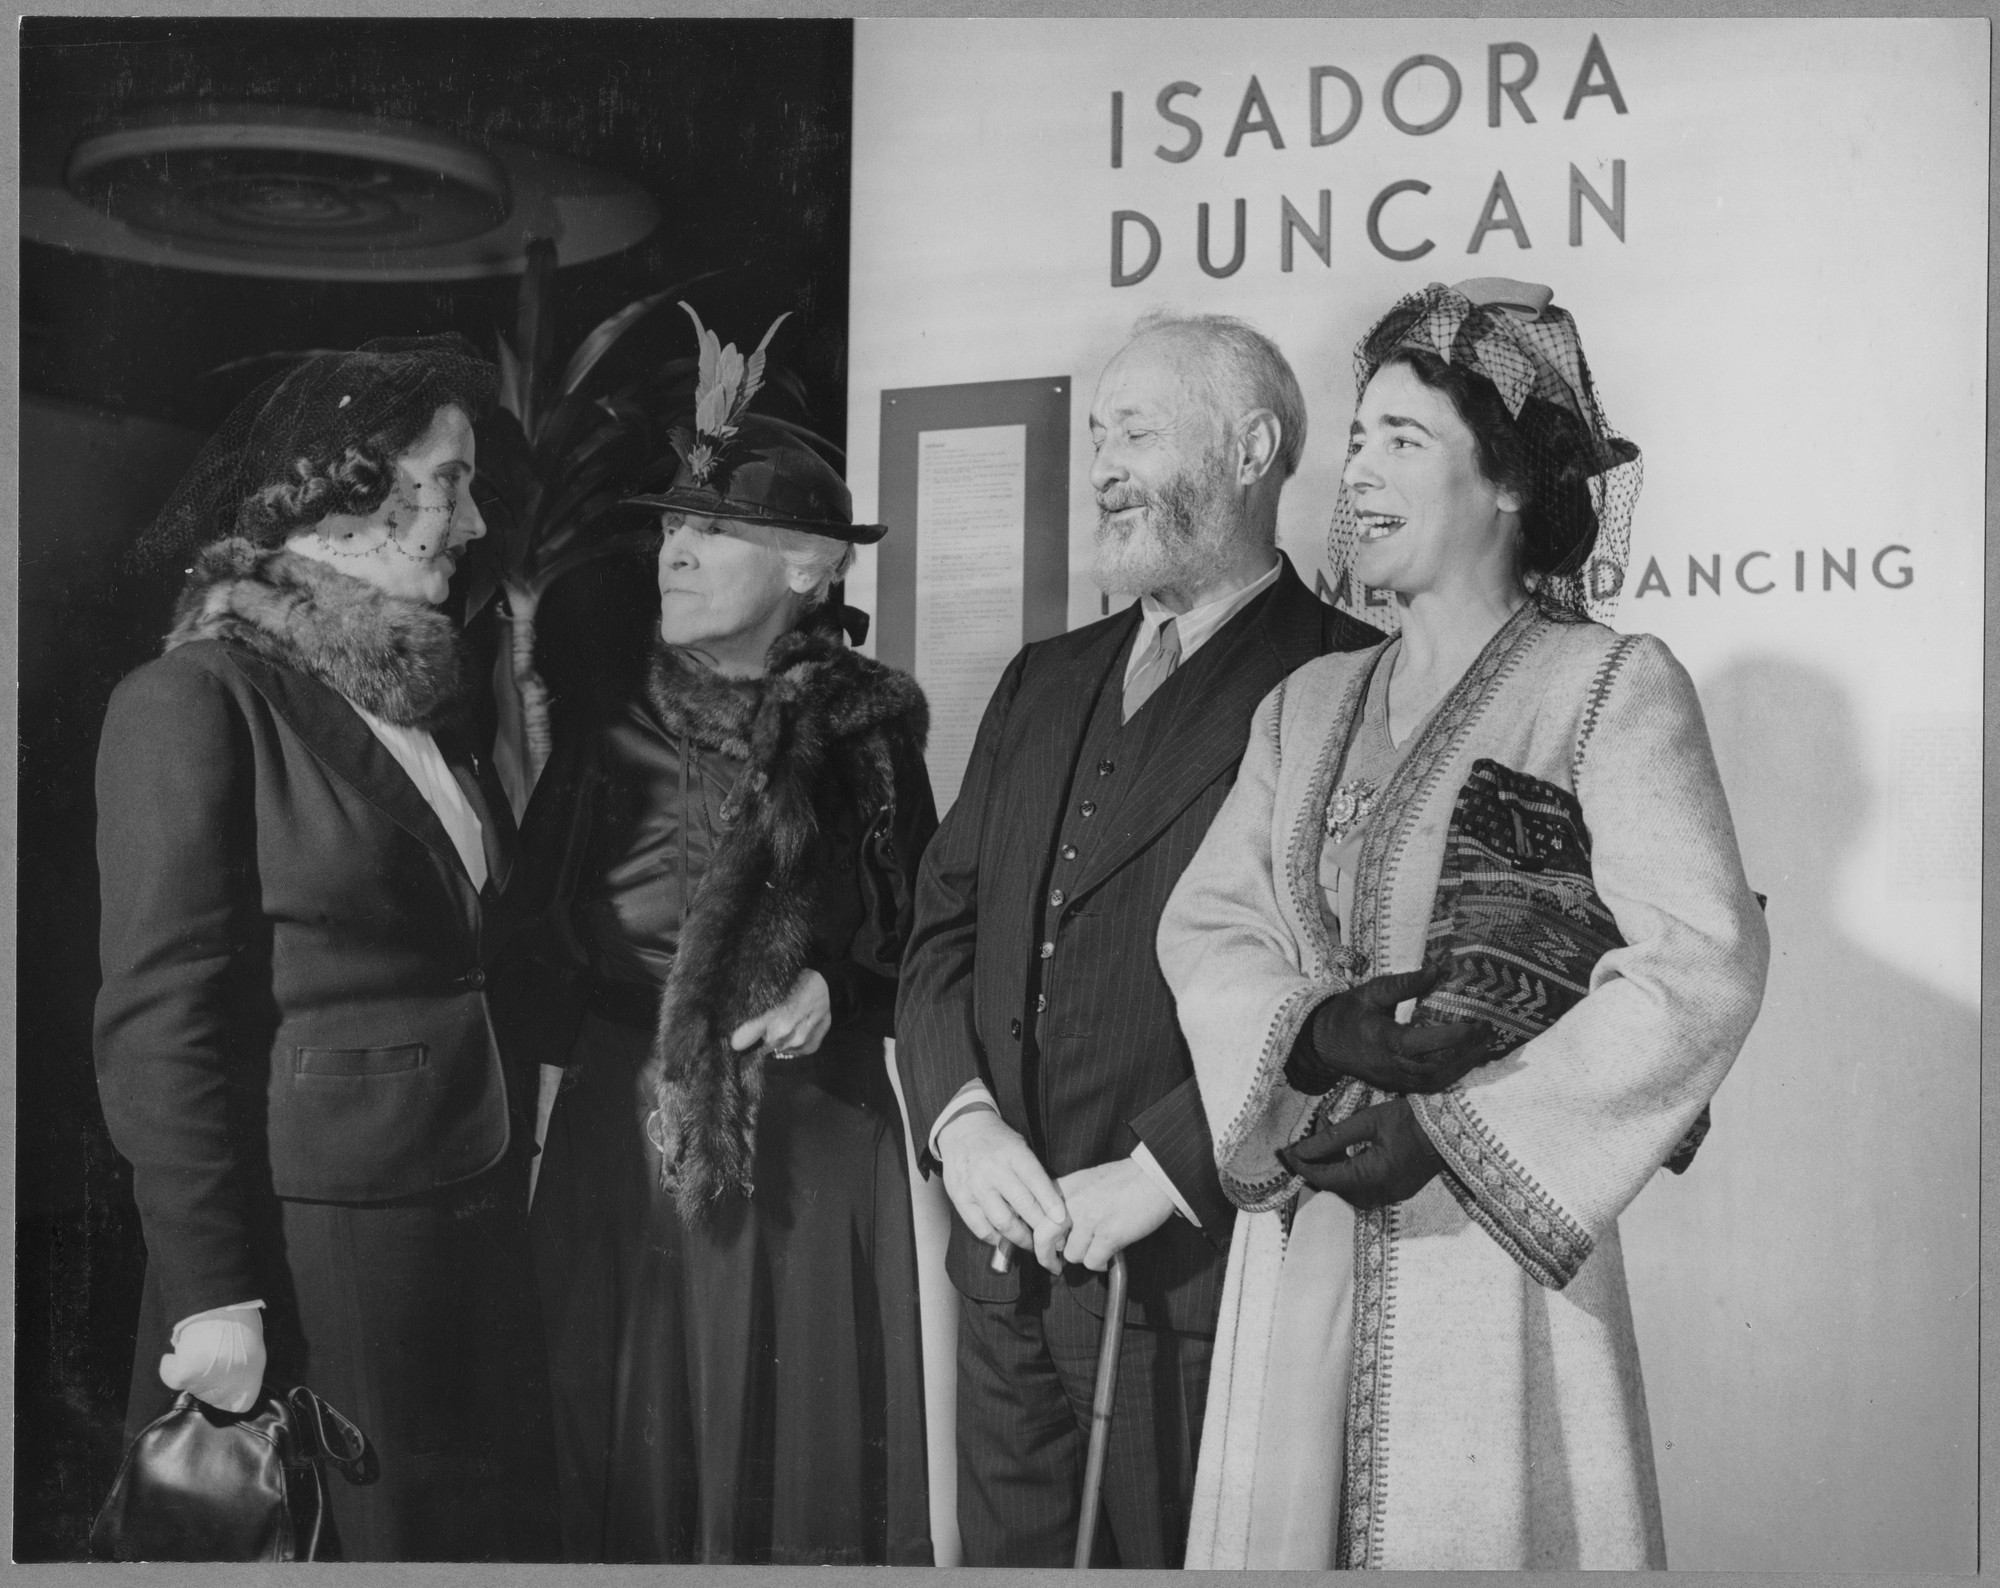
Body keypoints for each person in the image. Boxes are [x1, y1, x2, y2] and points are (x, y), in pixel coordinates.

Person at [1158, 278, 1770, 1570]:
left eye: (1405, 439)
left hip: (1488, 1265)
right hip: (1305, 1233)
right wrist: (1314, 1033)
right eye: (1359, 435)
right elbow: (1208, 924)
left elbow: (1696, 963)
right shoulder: (1306, 704)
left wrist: (1452, 1129)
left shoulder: (1606, 686)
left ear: (1504, 483)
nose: (1361, 470)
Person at [895, 310, 1380, 1567]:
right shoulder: (1038, 680)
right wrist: (960, 1122)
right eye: (1096, 435)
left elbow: (1344, 988)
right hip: (1003, 1278)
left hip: (1195, 1288)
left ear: (1251, 450)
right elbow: (939, 930)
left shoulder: (1349, 685)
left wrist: (1163, 1172)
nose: (1099, 463)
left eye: (1136, 432)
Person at [93, 335, 559, 1561]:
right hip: (310, 1251)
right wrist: (205, 1291)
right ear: (350, 489)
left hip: (456, 1209)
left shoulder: (414, 687)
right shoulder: (194, 700)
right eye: (448, 482)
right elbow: (159, 1021)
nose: (467, 522)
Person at [509, 309, 937, 1565]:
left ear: (810, 568)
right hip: (617, 1148)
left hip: (807, 1159)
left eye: (713, 531)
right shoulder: (601, 726)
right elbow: (529, 938)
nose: (675, 555)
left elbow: (920, 931)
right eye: (672, 531)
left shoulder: (868, 736)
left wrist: (833, 981)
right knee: (614, 1457)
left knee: (793, 1469)